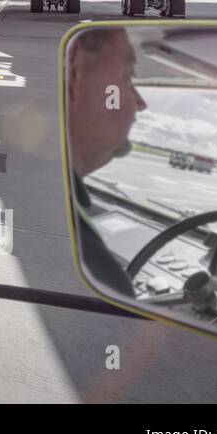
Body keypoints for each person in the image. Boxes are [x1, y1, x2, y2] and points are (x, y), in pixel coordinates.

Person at [64, 27, 147, 296]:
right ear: (76, 73)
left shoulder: (66, 198)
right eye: (128, 79)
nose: (141, 104)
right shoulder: (102, 278)